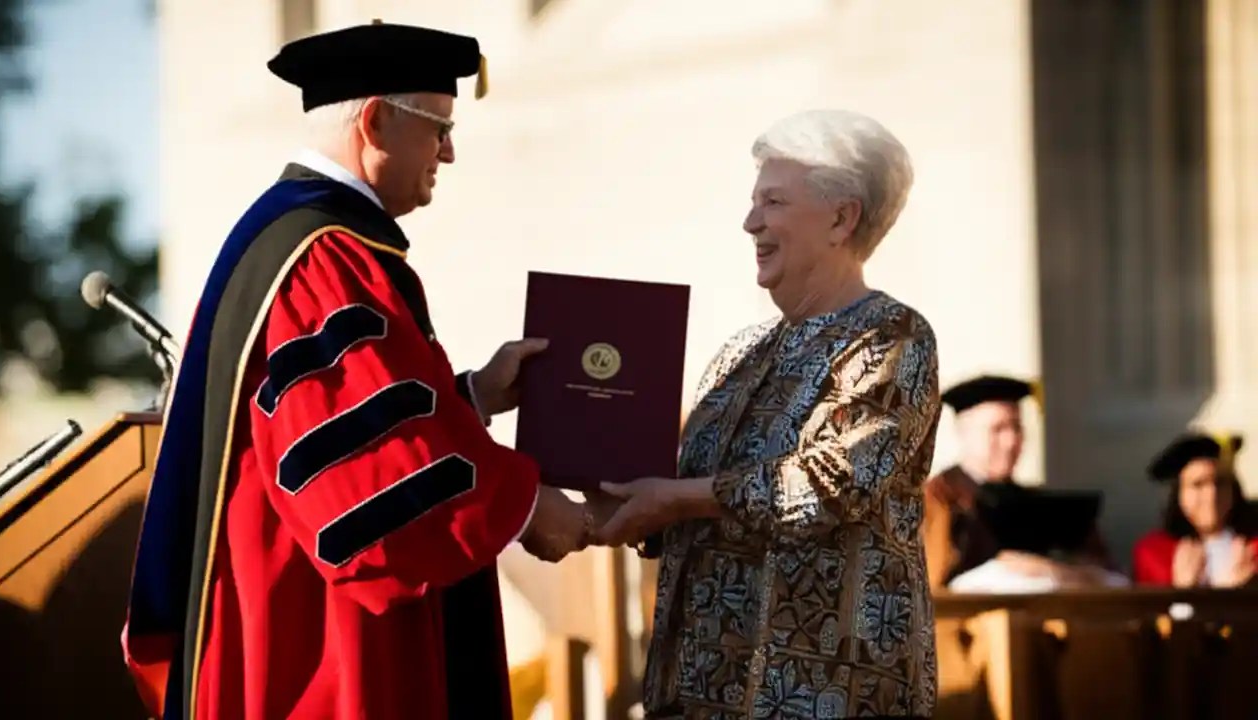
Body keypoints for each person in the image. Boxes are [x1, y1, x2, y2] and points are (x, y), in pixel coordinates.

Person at [121, 22, 596, 720]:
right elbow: (367, 498)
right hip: (317, 652)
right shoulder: (320, 260)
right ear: (375, 121)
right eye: (440, 127)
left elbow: (357, 422)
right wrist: (525, 506)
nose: (451, 151)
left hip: (303, 622)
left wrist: (472, 395)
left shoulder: (308, 243)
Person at [595, 109, 939, 718]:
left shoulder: (893, 338)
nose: (750, 221)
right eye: (755, 202)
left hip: (825, 698)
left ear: (841, 217)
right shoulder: (740, 353)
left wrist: (674, 499)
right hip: (697, 694)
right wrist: (600, 502)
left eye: (773, 202)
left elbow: (828, 486)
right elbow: (680, 495)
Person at [922, 375, 1117, 590]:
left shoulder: (1034, 503)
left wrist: (1049, 569)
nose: (1011, 442)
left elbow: (1108, 573)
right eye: (998, 429)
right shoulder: (936, 499)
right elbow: (930, 581)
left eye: (1016, 428)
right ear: (964, 432)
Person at [1132, 432, 1257, 587]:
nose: (1212, 494)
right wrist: (1184, 591)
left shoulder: (1253, 546)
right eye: (1198, 484)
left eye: (1220, 483)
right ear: (1177, 494)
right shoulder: (1153, 553)